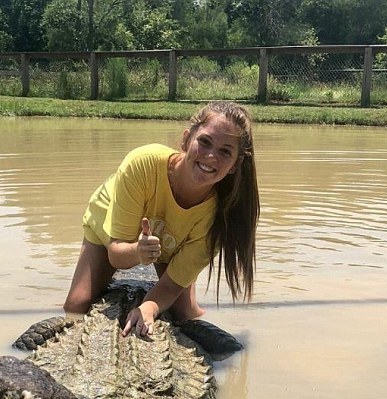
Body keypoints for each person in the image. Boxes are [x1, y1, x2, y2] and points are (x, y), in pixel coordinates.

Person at [63, 100, 260, 339]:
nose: (210, 156)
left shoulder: (221, 216)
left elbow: (172, 285)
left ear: (235, 165)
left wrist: (149, 307)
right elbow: (117, 253)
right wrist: (138, 251)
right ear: (187, 139)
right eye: (205, 142)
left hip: (172, 242)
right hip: (113, 229)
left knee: (186, 314)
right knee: (76, 304)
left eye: (225, 151)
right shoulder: (142, 163)